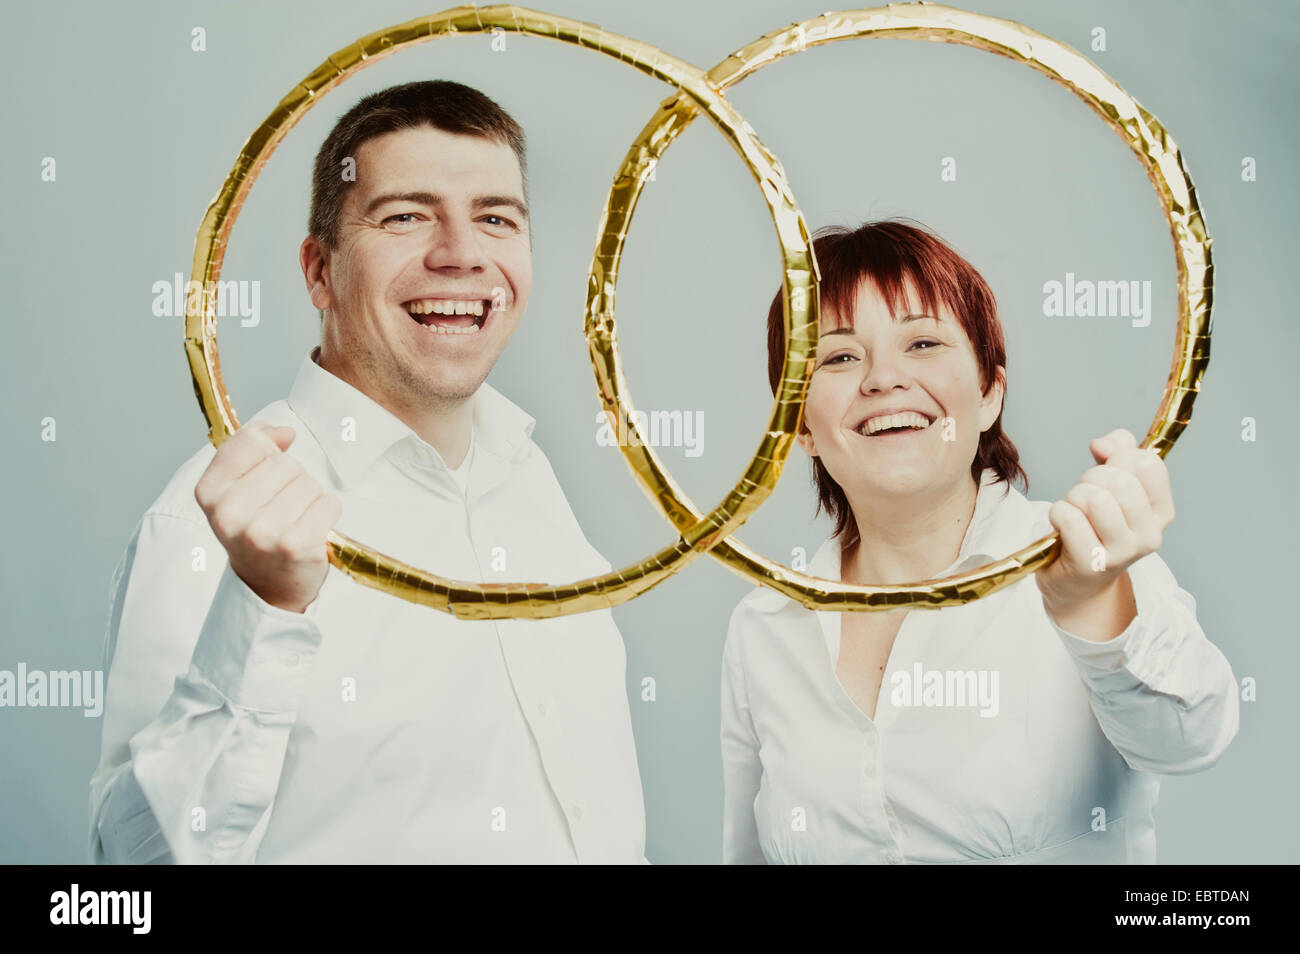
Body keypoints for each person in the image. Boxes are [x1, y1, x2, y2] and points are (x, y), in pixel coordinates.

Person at [90, 80, 646, 864]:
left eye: (495, 217)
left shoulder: (528, 477)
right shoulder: (205, 519)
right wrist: (262, 606)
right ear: (320, 271)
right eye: (407, 215)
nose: (460, 252)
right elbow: (129, 875)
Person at [720, 219, 1240, 864]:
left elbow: (1193, 738)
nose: (883, 378)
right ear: (795, 424)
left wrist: (1089, 604)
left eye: (923, 343)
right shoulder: (761, 627)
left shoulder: (1086, 557)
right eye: (839, 356)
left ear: (990, 392)